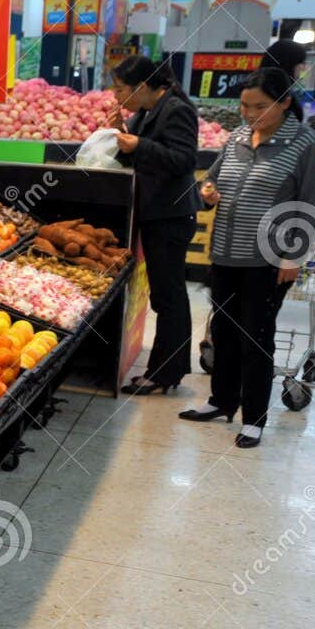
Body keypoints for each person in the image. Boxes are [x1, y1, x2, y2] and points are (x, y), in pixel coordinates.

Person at [183, 67, 315, 448]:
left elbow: (311, 203)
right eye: (245, 105)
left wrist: (293, 256)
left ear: (283, 103)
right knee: (225, 332)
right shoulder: (238, 137)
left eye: (259, 106)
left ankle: (255, 417)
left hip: (268, 259)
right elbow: (210, 180)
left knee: (256, 337)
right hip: (226, 252)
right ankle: (221, 400)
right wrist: (208, 192)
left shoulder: (305, 143)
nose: (249, 113)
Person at [110, 54, 200, 394]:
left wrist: (140, 144)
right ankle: (166, 370)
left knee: (169, 295)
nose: (117, 95)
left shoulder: (176, 110)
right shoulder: (146, 111)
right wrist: (119, 132)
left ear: (143, 86)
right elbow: (133, 154)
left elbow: (183, 160)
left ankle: (165, 373)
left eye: (121, 89)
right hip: (154, 212)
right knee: (164, 294)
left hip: (171, 215)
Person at [262, 39, 310, 121]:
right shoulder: (279, 96)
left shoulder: (262, 88)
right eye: (302, 63)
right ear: (289, 64)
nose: (304, 68)